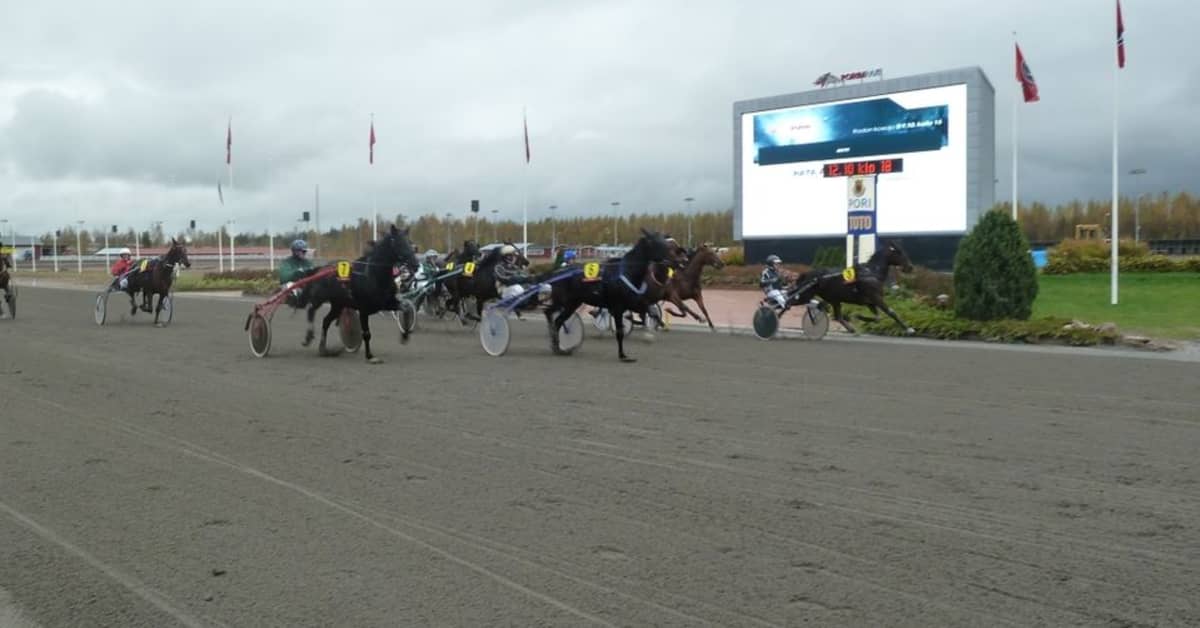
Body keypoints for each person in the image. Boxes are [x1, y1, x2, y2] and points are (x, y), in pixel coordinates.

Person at [278, 239, 315, 307]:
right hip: (291, 284)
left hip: (304, 284)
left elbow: (314, 274)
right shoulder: (287, 262)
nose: (304, 253)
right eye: (303, 251)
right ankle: (293, 299)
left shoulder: (308, 262)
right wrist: (296, 273)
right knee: (289, 285)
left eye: (305, 251)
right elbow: (283, 277)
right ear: (295, 251)